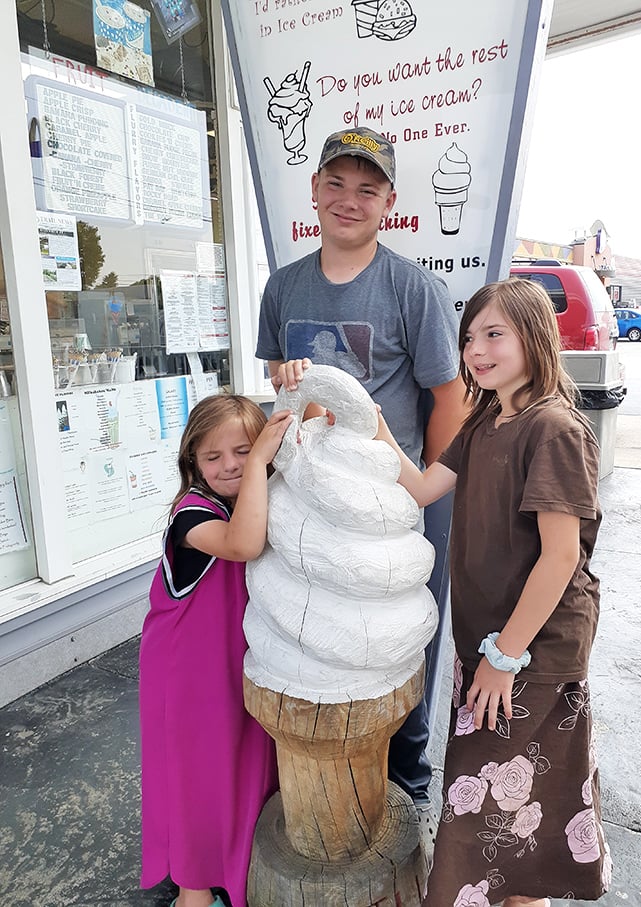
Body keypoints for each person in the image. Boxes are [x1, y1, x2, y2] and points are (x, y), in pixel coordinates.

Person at [256, 126, 468, 834]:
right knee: (311, 636)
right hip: (309, 499)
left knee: (406, 637)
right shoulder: (282, 286)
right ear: (314, 192)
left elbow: (449, 399)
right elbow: (280, 379)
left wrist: (422, 492)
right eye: (337, 184)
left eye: (367, 189)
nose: (350, 199)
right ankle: (314, 771)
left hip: (392, 501)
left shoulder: (414, 288)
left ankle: (408, 774)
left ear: (392, 204)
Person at [374, 278, 611, 906]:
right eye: (469, 337)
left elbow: (560, 557)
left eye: (494, 333)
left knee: (508, 823)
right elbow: (423, 487)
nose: (477, 350)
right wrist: (370, 423)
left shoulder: (553, 427)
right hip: (491, 649)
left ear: (535, 336)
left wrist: (504, 659)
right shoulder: (485, 420)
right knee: (505, 822)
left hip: (529, 654)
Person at [138, 394, 293, 907]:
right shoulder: (192, 514)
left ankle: (233, 871)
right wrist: (259, 465)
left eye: (243, 450)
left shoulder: (249, 497)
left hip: (235, 661)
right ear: (193, 465)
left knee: (243, 762)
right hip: (188, 672)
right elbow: (242, 545)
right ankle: (194, 885)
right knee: (197, 774)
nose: (229, 465)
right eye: (213, 457)